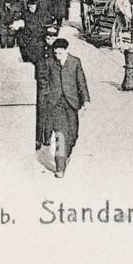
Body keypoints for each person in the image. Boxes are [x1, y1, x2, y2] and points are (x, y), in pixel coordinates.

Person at [46, 39, 89, 177]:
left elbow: (81, 82)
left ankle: (66, 154)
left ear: (66, 51)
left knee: (72, 135)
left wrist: (86, 100)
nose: (57, 55)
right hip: (56, 104)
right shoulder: (50, 63)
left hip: (72, 103)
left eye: (60, 53)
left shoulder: (75, 62)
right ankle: (60, 167)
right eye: (55, 53)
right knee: (60, 135)